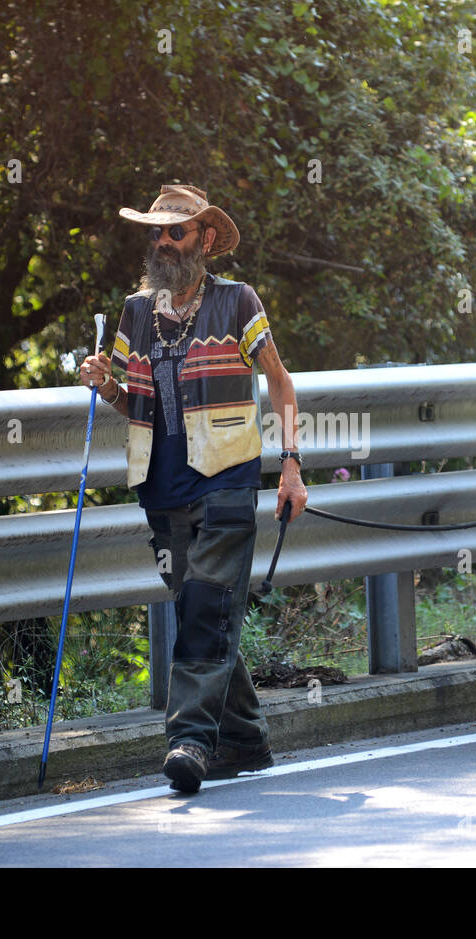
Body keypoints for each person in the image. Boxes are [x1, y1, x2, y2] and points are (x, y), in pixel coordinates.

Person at [80, 184, 307, 794]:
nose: (161, 243)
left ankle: (189, 742)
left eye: (173, 232)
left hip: (228, 481)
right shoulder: (135, 312)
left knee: (206, 608)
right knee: (199, 609)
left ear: (204, 240)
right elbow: (130, 398)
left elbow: (281, 386)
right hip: (160, 487)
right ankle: (246, 736)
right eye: (155, 233)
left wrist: (290, 464)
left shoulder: (237, 303)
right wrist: (103, 383)